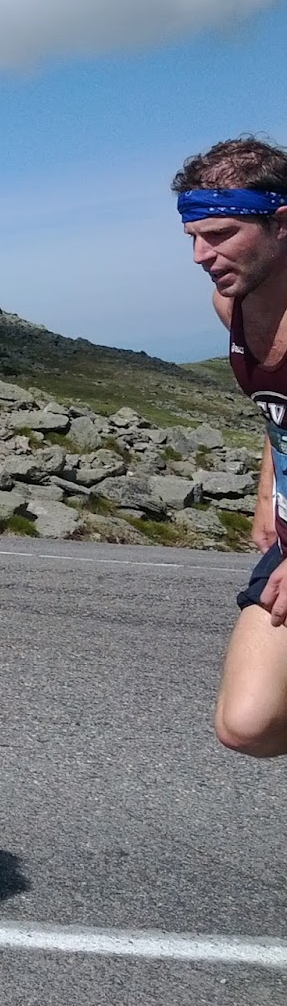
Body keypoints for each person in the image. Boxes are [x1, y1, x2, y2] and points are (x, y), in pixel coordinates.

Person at [176, 136, 287, 758]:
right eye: (192, 236)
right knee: (246, 723)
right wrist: (268, 491)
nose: (200, 255)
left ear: (281, 224)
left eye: (218, 234)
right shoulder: (233, 304)